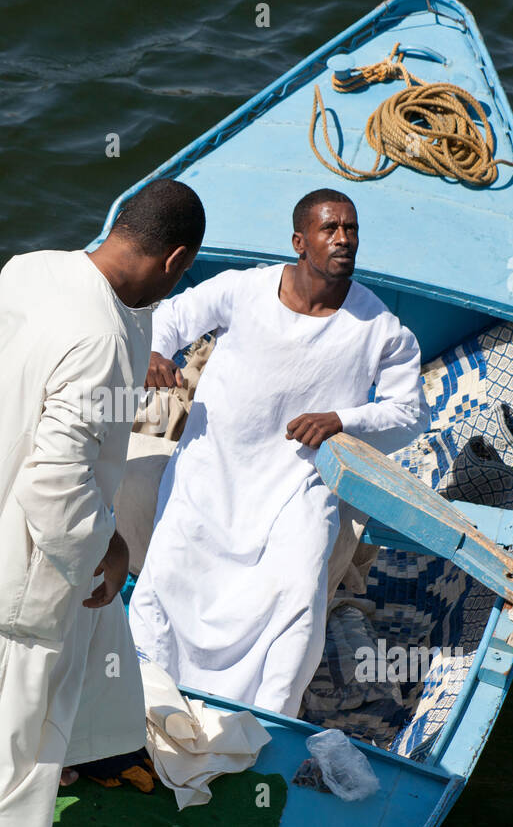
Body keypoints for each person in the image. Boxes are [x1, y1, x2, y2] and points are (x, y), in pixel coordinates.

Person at [0, 179, 205, 827]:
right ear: (175, 260)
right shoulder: (97, 342)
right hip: (28, 533)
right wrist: (109, 548)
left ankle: (97, 749)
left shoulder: (33, 270)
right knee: (5, 710)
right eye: (180, 276)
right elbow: (54, 483)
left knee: (96, 636)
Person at [127, 188, 427, 717]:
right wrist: (156, 350)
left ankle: (266, 719)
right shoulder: (244, 289)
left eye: (351, 229)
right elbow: (171, 316)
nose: (343, 239)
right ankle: (147, 700)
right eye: (330, 228)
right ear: (299, 241)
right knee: (168, 574)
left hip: (299, 485)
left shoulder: (380, 328)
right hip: (211, 466)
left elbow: (410, 414)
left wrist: (343, 420)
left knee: (298, 593)